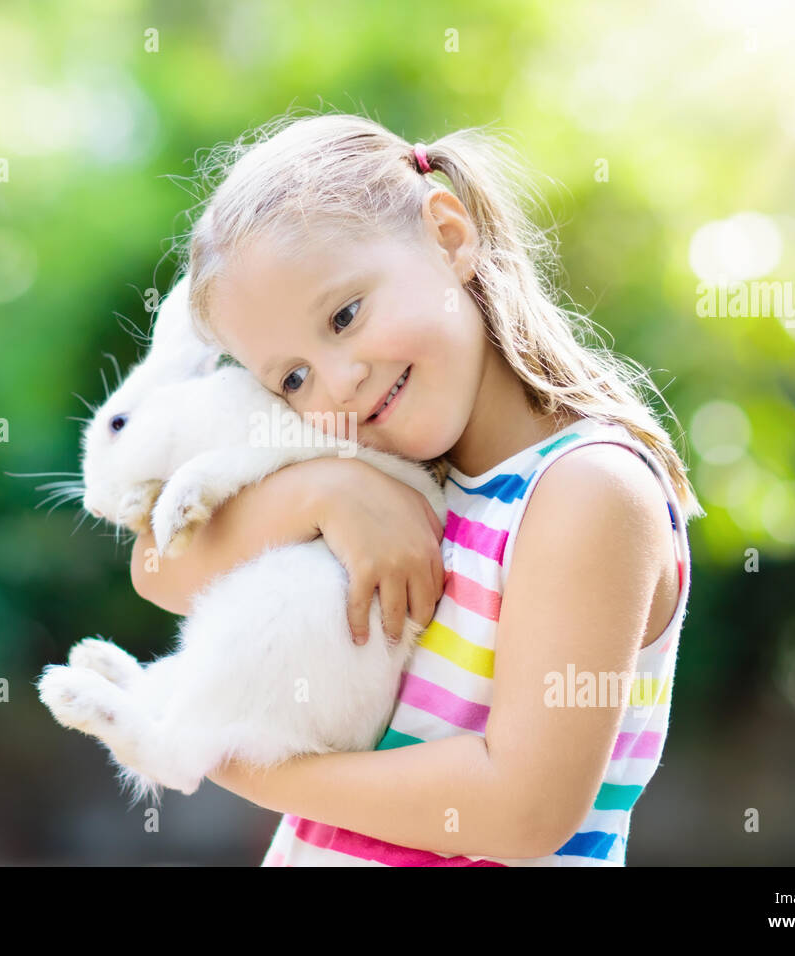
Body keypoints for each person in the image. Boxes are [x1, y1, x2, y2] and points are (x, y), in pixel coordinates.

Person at [131, 111, 703, 865]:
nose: (338, 382)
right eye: (292, 378)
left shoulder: (586, 490)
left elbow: (521, 809)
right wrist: (328, 494)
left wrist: (241, 762)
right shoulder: (379, 476)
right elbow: (155, 566)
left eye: (344, 315)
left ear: (449, 235)